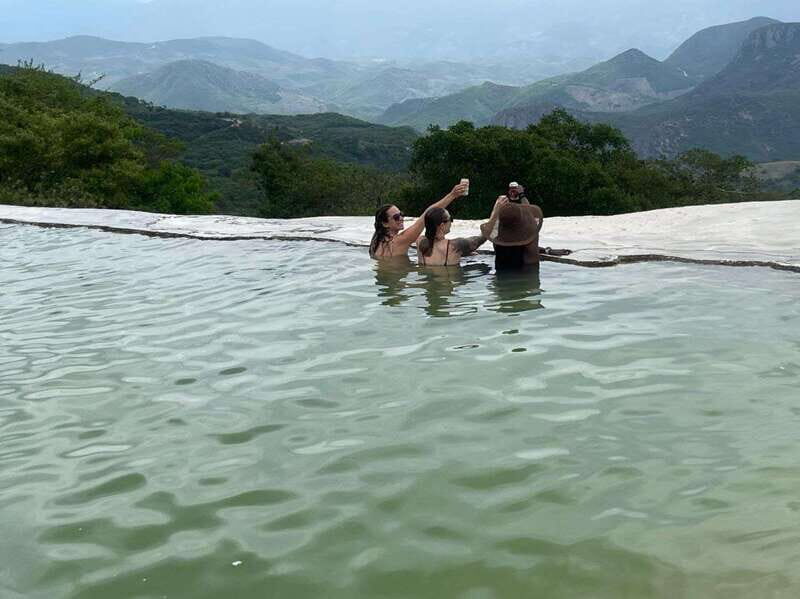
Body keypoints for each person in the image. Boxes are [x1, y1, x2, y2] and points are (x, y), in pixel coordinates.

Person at [369, 181, 468, 259]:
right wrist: (452, 195)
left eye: (401, 214)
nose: (401, 218)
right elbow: (427, 214)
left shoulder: (376, 240)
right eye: (396, 217)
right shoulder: (399, 241)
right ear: (385, 224)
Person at [416, 197, 505, 267]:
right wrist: (496, 211)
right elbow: (481, 238)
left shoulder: (420, 242)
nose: (451, 222)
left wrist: (463, 253)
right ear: (442, 226)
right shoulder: (454, 246)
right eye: (450, 219)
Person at [481, 196, 544, 270]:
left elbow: (489, 231)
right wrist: (522, 195)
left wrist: (496, 210)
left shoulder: (497, 239)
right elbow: (532, 221)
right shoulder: (530, 244)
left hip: (501, 275)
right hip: (528, 273)